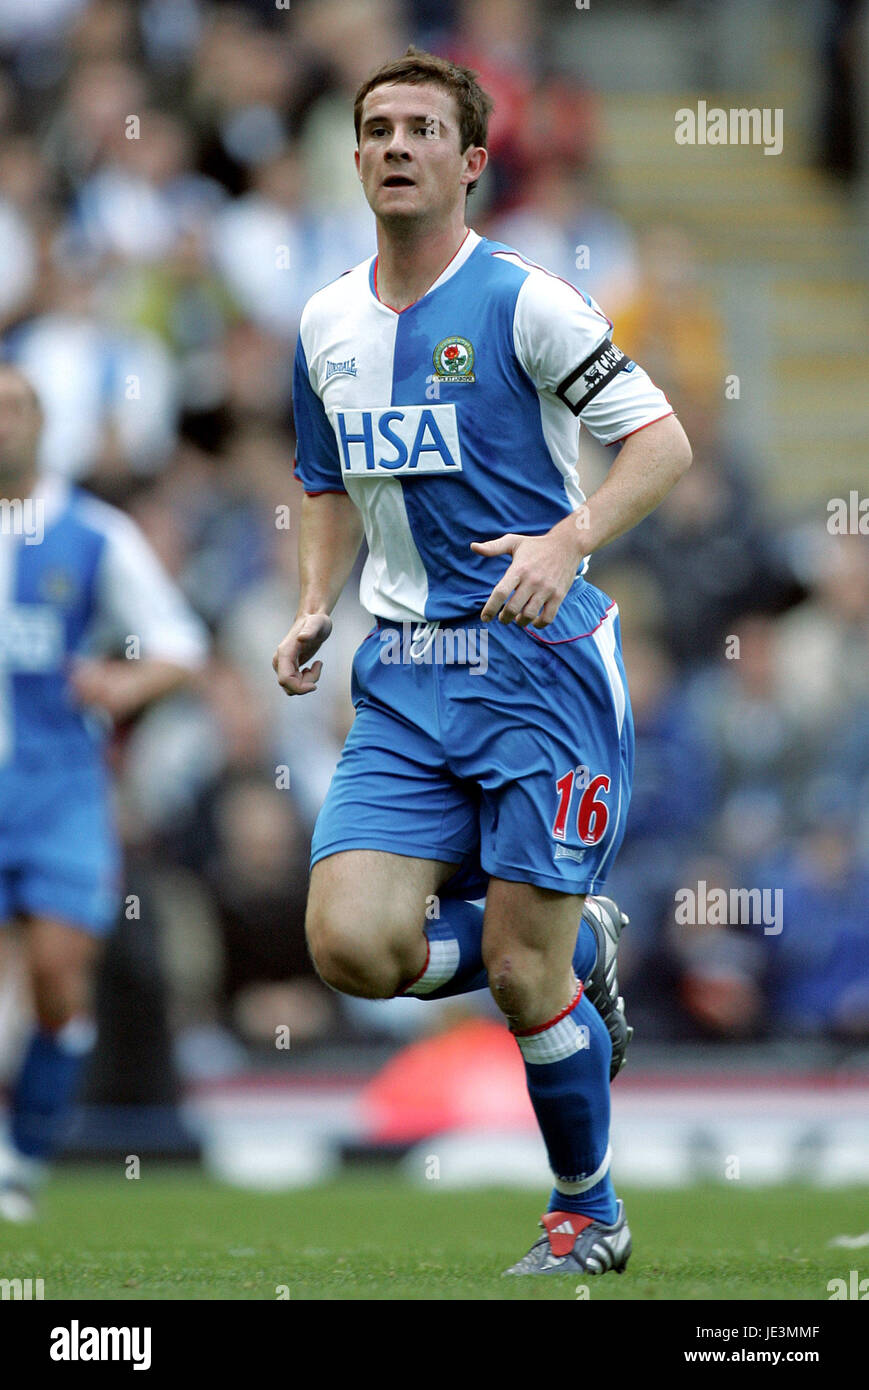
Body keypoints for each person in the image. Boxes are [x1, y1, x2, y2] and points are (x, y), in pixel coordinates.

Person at [273, 48, 692, 1277]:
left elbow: (658, 443)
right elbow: (319, 478)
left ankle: (587, 1214)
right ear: (353, 159)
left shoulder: (527, 300)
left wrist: (570, 538)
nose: (395, 144)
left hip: (539, 674)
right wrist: (312, 601)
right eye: (374, 128)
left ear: (469, 160)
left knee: (518, 973)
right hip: (404, 670)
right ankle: (574, 947)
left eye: (420, 128)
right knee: (352, 945)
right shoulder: (324, 320)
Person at [0, 364, 207, 1221]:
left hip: (60, 792)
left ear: (42, 423)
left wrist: (123, 688)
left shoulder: (94, 533)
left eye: (13, 408)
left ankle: (25, 1155)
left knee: (55, 972)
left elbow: (178, 644)